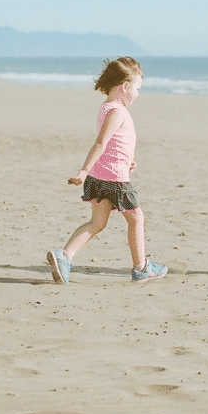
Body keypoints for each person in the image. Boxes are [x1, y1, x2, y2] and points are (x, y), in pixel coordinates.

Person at [47, 57, 167, 284]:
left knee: (97, 223)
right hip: (116, 181)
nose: (138, 94)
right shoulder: (118, 112)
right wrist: (83, 170)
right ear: (125, 86)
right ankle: (141, 268)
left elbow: (114, 144)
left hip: (100, 177)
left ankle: (64, 256)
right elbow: (101, 143)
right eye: (137, 88)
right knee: (136, 220)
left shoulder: (106, 108)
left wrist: (127, 161)